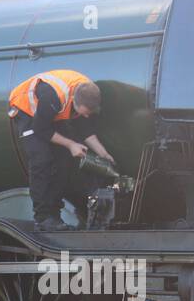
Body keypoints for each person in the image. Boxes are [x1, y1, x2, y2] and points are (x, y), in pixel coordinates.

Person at [7, 69, 115, 232]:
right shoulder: (53, 97)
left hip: (49, 114)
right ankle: (42, 218)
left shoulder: (87, 93)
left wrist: (103, 153)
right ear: (74, 101)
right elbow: (41, 129)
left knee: (63, 161)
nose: (86, 116)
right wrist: (71, 144)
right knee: (41, 160)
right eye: (84, 113)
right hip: (27, 111)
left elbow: (85, 129)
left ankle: (55, 216)